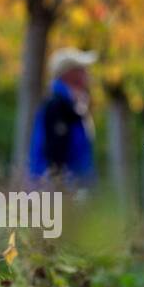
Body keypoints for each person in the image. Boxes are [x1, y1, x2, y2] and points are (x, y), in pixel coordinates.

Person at [28, 48, 98, 186]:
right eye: (82, 69)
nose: (87, 74)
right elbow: (54, 156)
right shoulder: (58, 106)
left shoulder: (71, 106)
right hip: (61, 193)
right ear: (69, 74)